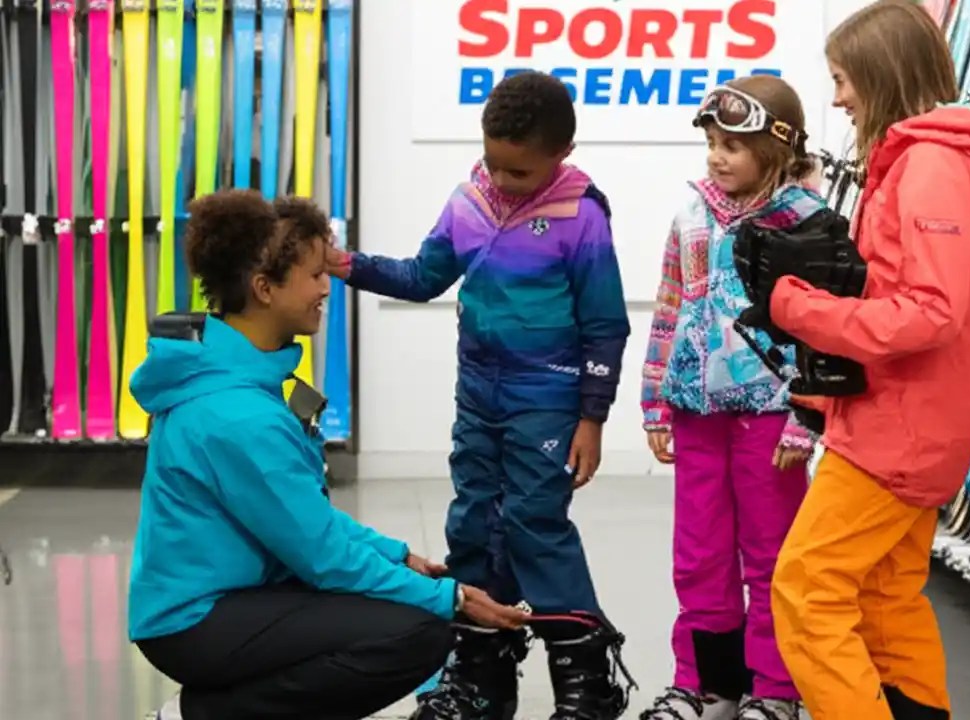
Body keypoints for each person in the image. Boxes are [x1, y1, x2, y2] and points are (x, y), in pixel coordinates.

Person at [127, 189, 529, 720]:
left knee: (402, 603)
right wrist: (451, 598)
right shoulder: (236, 416)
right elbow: (322, 556)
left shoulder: (244, 380)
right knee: (414, 634)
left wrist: (400, 556)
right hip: (195, 620)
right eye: (315, 274)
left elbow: (305, 520)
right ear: (264, 288)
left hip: (239, 592)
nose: (327, 286)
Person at [326, 70, 634, 720]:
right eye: (491, 162)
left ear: (560, 157)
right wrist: (350, 265)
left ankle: (587, 683)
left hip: (547, 400)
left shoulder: (582, 218)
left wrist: (592, 420)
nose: (499, 178)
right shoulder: (470, 200)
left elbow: (606, 326)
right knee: (471, 522)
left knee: (533, 526)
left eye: (517, 171)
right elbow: (421, 275)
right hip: (479, 397)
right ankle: (480, 678)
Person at [762, 2, 970, 719]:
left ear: (881, 74)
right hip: (905, 413)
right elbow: (906, 294)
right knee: (883, 593)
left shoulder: (933, 166)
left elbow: (931, 313)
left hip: (899, 430)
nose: (838, 97)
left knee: (807, 587)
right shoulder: (927, 159)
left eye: (844, 79)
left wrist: (800, 309)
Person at [638, 74, 818, 720]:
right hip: (696, 415)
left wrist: (807, 415)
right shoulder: (690, 217)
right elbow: (669, 307)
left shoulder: (805, 223)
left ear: (774, 151)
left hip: (771, 418)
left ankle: (775, 689)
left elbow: (823, 329)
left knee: (771, 557)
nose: (716, 156)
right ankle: (708, 683)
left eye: (731, 146)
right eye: (711, 142)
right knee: (700, 554)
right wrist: (656, 398)